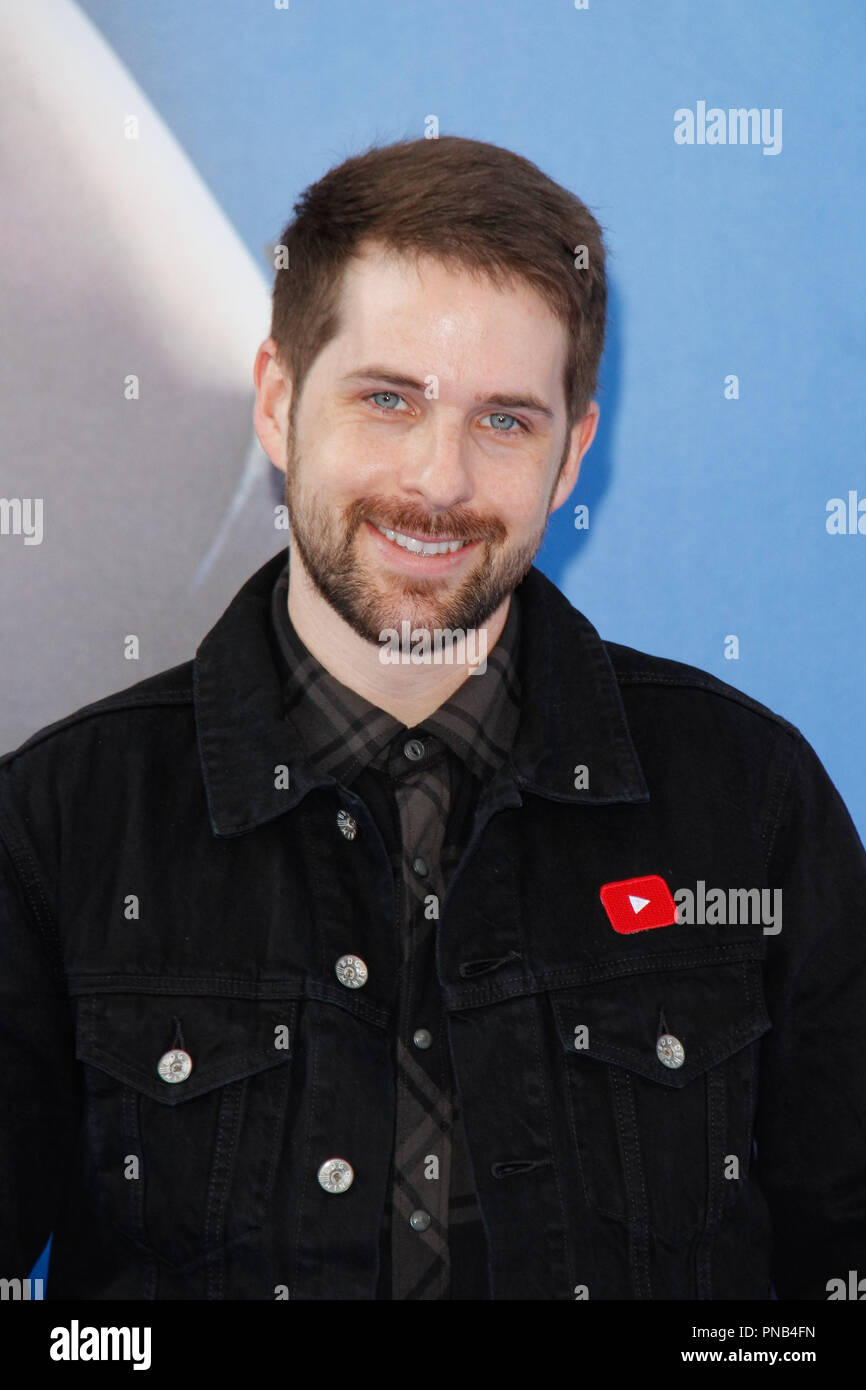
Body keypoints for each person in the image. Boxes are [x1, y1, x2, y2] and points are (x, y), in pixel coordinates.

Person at [1, 135, 865, 1302]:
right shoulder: (57, 827)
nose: (439, 481)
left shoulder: (750, 800)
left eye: (504, 420)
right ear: (277, 399)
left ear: (571, 461)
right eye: (387, 398)